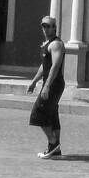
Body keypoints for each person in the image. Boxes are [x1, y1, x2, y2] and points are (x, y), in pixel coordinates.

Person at [27, 16, 66, 158]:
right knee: (52, 114)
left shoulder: (56, 44)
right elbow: (45, 66)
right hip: (51, 83)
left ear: (55, 27)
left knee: (38, 113)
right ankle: (56, 150)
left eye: (49, 26)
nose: (46, 29)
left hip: (54, 83)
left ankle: (53, 143)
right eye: (44, 26)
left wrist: (47, 85)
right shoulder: (47, 44)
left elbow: (55, 66)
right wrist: (34, 82)